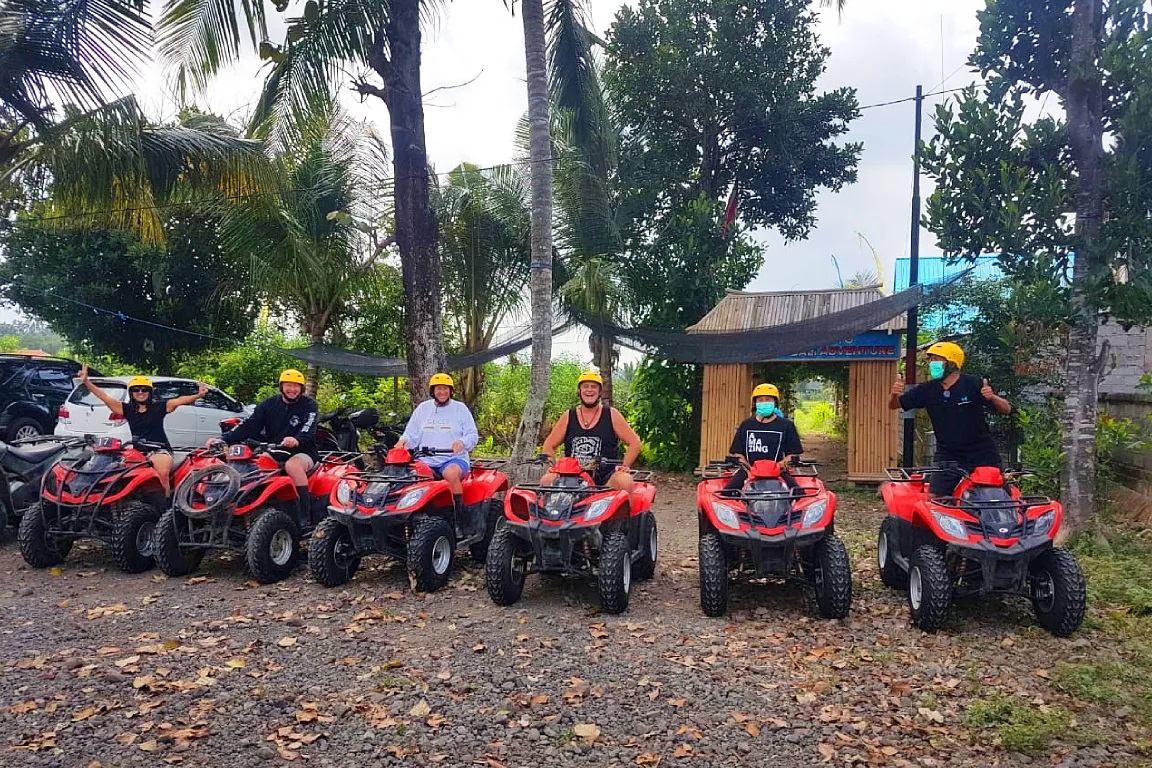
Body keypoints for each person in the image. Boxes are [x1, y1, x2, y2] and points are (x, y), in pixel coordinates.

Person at [889, 340, 1012, 496]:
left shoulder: (973, 384)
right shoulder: (927, 389)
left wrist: (992, 397)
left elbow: (1006, 409)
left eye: (937, 360)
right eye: (931, 360)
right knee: (934, 499)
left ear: (952, 363)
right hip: (948, 453)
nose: (932, 364)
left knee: (1001, 497)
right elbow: (894, 405)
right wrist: (894, 394)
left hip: (982, 452)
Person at [208, 369, 319, 526]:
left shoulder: (309, 405)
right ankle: (250, 511)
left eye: (296, 386)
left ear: (301, 388)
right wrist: (222, 439)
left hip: (303, 452)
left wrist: (296, 439)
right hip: (274, 451)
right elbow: (249, 424)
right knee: (257, 465)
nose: (292, 389)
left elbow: (309, 426)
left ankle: (303, 515)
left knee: (292, 466)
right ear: (281, 386)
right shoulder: (269, 404)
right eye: (288, 385)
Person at [79, 364, 208, 497]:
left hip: (159, 449)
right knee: (113, 472)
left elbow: (178, 401)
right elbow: (105, 397)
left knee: (161, 474)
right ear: (132, 393)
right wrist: (87, 382)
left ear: (150, 392)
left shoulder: (159, 407)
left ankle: (166, 508)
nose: (140, 393)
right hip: (136, 451)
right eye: (136, 390)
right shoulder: (126, 409)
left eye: (144, 390)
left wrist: (198, 395)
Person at [539, 371, 643, 498]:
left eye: (594, 387)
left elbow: (634, 442)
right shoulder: (568, 416)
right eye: (585, 386)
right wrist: (552, 466)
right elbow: (549, 445)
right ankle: (549, 517)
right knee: (546, 480)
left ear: (600, 392)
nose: (589, 390)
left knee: (624, 481)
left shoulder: (611, 414)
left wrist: (625, 465)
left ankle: (626, 518)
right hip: (571, 475)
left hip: (606, 477)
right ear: (579, 391)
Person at [395, 373, 479, 515]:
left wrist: (462, 442)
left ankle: (459, 517)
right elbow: (411, 433)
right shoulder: (422, 408)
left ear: (451, 391)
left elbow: (472, 435)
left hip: (453, 459)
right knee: (405, 477)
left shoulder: (460, 408)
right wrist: (403, 441)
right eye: (438, 389)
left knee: (451, 474)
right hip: (425, 460)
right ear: (432, 391)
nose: (442, 392)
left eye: (445, 388)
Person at [724, 383, 804, 492]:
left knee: (799, 494)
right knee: (726, 494)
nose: (764, 402)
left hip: (778, 472)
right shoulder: (746, 425)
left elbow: (793, 453)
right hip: (749, 471)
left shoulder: (786, 425)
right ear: (755, 403)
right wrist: (749, 469)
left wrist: (779, 465)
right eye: (760, 400)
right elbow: (738, 452)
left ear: (775, 402)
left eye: (767, 399)